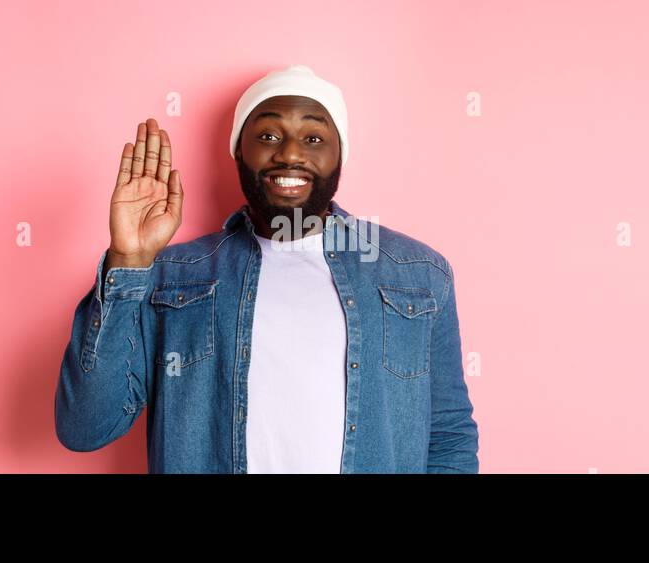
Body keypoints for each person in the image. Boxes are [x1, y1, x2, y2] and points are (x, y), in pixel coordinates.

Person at [54, 64, 478, 473]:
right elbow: (85, 427)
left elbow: (448, 437)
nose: (290, 152)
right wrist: (128, 261)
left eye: (313, 137)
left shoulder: (417, 275)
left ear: (340, 154)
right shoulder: (172, 275)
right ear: (240, 149)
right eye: (269, 134)